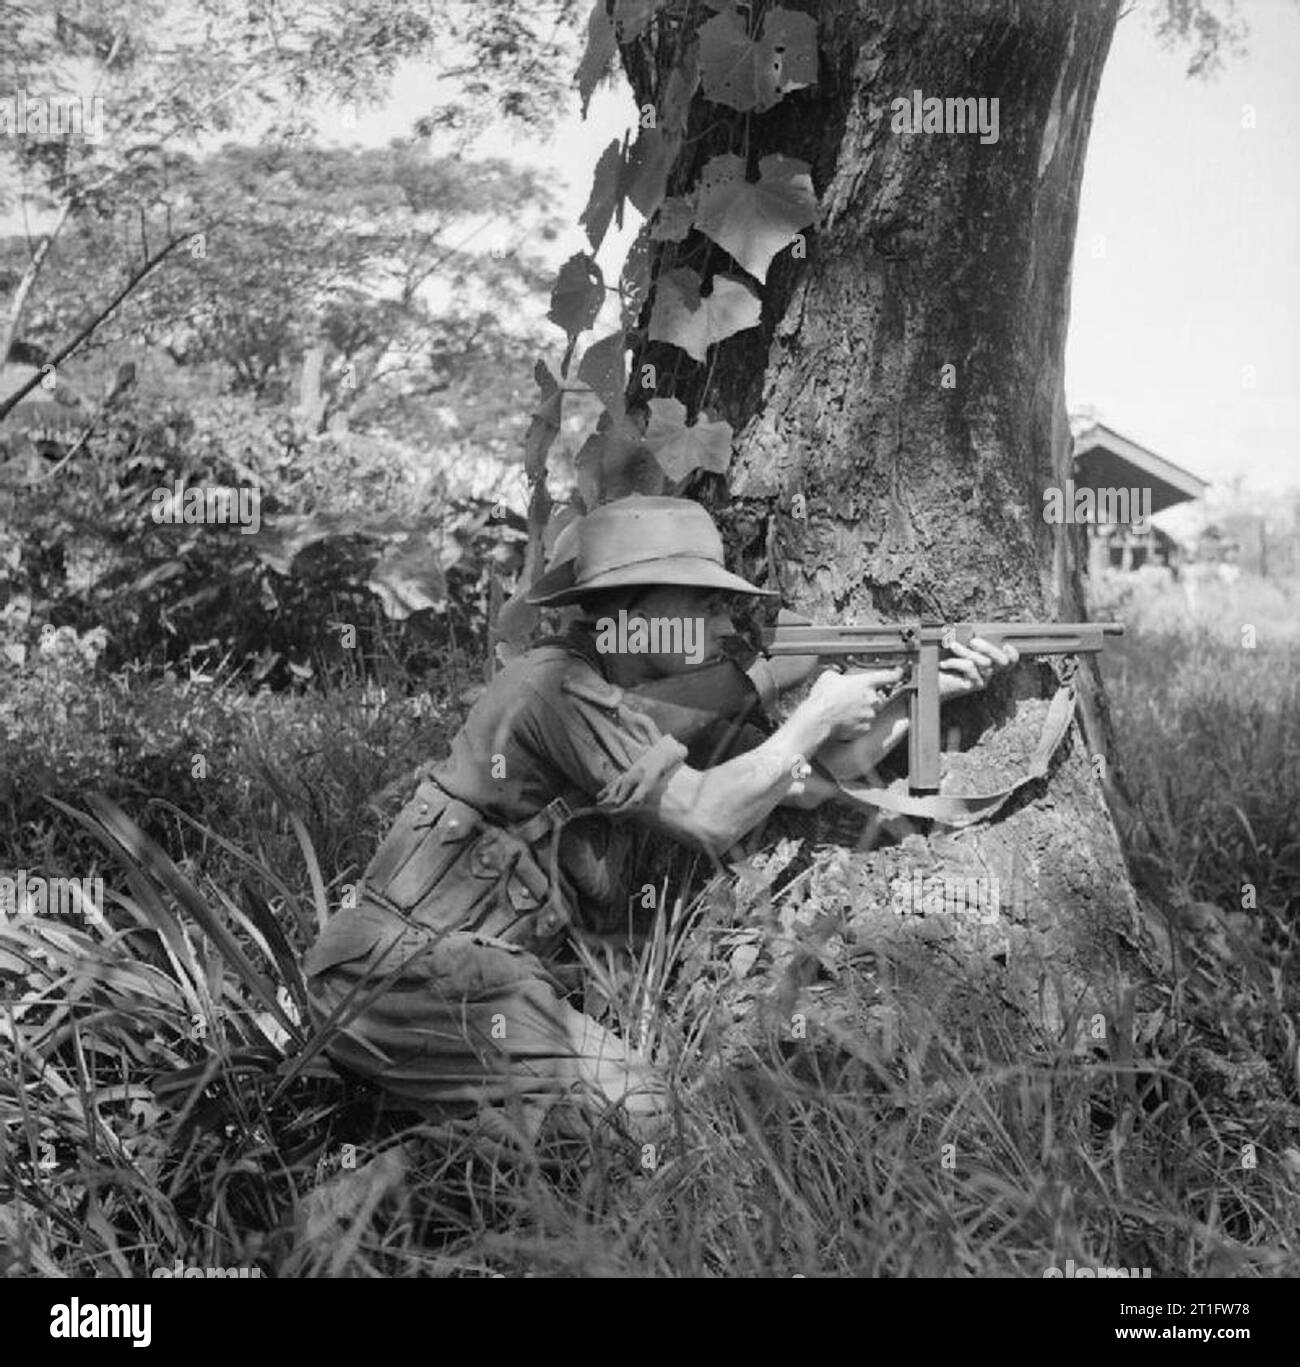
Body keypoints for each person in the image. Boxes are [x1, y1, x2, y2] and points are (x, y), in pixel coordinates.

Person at [301, 495, 1017, 1143]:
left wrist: (920, 698)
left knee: (590, 1125)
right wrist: (810, 714)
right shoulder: (551, 687)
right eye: (699, 603)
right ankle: (346, 1216)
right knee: (645, 1116)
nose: (719, 621)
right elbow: (711, 814)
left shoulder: (634, 710)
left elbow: (796, 782)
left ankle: (356, 1206)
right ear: (628, 615)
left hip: (466, 980)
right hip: (395, 973)